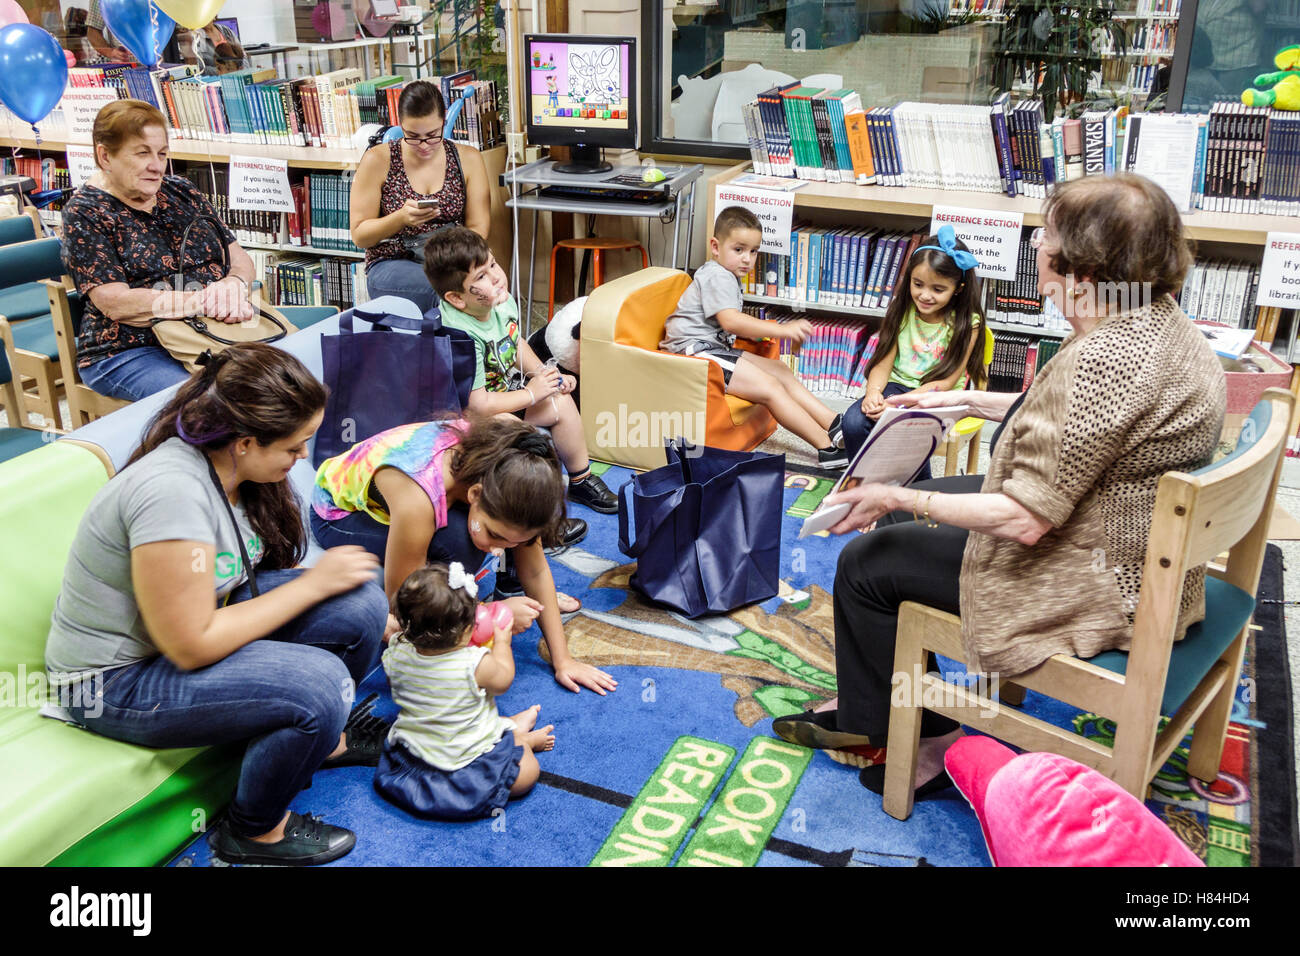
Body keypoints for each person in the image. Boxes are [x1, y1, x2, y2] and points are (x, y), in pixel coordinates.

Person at [772, 174, 1228, 798]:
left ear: (1082, 270)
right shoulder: (1157, 322)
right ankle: (880, 698)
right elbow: (1079, 426)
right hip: (1131, 551)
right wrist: (962, 396)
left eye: (1048, 237)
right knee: (904, 528)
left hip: (1088, 580)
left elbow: (1024, 519)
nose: (1037, 247)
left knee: (866, 558)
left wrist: (897, 495)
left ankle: (915, 734)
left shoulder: (1104, 360)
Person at [44, 344, 390, 866]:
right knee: (320, 683)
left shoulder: (233, 470)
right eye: (294, 448)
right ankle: (252, 832)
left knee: (360, 600)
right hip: (113, 682)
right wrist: (311, 585)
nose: (301, 459)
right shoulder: (172, 493)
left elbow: (225, 591)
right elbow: (190, 644)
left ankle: (328, 743)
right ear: (245, 442)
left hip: (177, 640)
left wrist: (325, 585)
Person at [311, 413, 619, 695]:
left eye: (512, 543)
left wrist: (562, 659)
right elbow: (403, 601)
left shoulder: (516, 471)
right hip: (337, 512)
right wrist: (489, 618)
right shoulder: (419, 495)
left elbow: (536, 571)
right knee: (460, 550)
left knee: (473, 544)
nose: (500, 551)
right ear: (474, 494)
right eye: (496, 535)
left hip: (422, 498)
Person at [62, 99, 259, 401]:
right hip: (131, 349)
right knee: (212, 403)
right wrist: (203, 300)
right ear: (105, 156)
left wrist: (234, 284)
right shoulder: (86, 212)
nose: (156, 166)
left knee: (289, 375)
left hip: (211, 328)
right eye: (142, 153)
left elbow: (239, 258)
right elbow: (116, 303)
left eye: (162, 154)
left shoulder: (182, 190)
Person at [423, 226, 618, 519]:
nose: (496, 277)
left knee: (562, 403)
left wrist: (545, 374)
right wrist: (530, 393)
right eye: (481, 277)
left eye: (492, 264)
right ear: (457, 299)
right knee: (521, 435)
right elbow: (478, 406)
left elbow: (514, 343)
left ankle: (580, 479)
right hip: (464, 421)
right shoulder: (460, 336)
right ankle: (536, 514)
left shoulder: (499, 301)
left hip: (503, 400)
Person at [659, 206, 846, 469]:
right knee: (770, 387)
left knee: (779, 369)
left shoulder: (727, 275)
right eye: (739, 249)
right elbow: (731, 321)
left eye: (754, 251)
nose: (747, 259)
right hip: (692, 353)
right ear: (715, 246)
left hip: (712, 348)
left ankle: (835, 424)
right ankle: (827, 448)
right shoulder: (716, 275)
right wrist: (782, 329)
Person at [375, 562, 556, 820]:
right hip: (465, 772)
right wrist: (503, 641)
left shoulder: (396, 651)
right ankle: (520, 741)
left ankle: (506, 728)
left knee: (455, 714)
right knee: (527, 773)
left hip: (411, 763)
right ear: (469, 630)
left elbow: (399, 659)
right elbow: (503, 680)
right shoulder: (474, 663)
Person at [841, 224, 986, 478]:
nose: (925, 295)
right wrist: (873, 394)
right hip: (897, 388)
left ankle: (916, 499)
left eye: (938, 289)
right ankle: (862, 486)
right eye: (918, 284)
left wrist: (898, 406)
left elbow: (947, 381)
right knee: (853, 422)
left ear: (958, 289)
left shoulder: (967, 323)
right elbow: (883, 363)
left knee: (910, 431)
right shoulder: (903, 311)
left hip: (940, 396)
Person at [349, 80, 492, 314]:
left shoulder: (467, 158)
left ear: (444, 122)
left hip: (451, 260)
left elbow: (479, 229)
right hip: (392, 261)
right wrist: (401, 218)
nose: (424, 146)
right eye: (412, 136)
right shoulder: (378, 160)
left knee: (489, 290)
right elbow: (360, 236)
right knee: (451, 295)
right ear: (400, 125)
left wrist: (449, 257)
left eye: (433, 135)